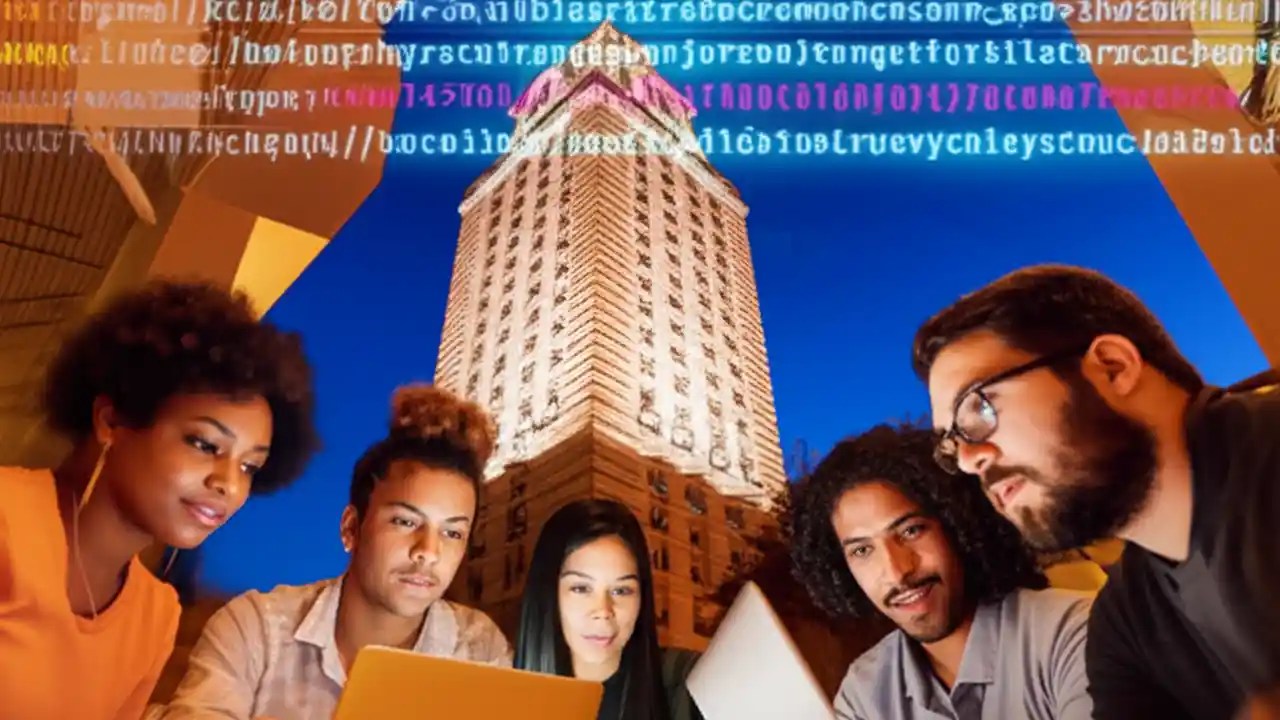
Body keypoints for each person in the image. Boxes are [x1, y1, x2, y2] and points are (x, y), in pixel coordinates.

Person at [912, 263, 1280, 719]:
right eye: (951, 445)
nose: (968, 459)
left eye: (977, 411)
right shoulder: (1124, 626)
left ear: (1113, 367)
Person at [0, 278, 320, 719]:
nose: (228, 483)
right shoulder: (7, 522)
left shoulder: (156, 614)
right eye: (205, 445)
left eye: (250, 467)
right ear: (111, 421)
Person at [155, 384, 511, 719]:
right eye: (405, 522)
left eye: (452, 532)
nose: (428, 552)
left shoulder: (478, 651)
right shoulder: (256, 631)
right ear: (351, 528)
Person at [789, 424, 1093, 720]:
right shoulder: (864, 694)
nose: (897, 572)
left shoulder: (1071, 634)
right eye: (862, 551)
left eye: (911, 531)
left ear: (958, 525)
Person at [514, 499, 702, 720]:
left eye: (621, 591)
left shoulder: (688, 682)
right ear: (547, 593)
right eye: (581, 588)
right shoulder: (501, 695)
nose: (603, 611)